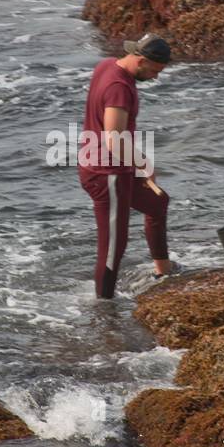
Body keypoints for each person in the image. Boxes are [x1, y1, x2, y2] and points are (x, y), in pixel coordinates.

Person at [78, 33, 178, 298]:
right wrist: (144, 164)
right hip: (106, 173)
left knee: (157, 202)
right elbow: (113, 138)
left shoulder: (107, 64)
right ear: (141, 60)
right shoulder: (119, 88)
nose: (156, 77)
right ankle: (104, 311)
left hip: (109, 164)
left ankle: (163, 270)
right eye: (155, 71)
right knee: (113, 247)